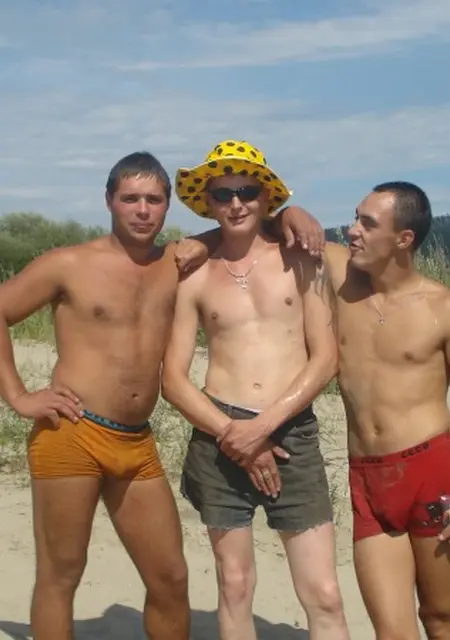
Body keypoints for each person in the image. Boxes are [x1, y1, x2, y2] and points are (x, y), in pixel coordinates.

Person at [0, 150, 323, 640]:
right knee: (61, 574)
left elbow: (236, 227)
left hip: (136, 442)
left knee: (170, 577)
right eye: (130, 198)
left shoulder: (178, 262)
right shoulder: (68, 264)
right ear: (109, 201)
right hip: (72, 433)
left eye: (153, 200)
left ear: (168, 206)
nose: (142, 210)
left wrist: (288, 215)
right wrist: (19, 396)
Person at [176, 179, 450, 639]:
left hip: (432, 472)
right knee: (392, 630)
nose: (353, 229)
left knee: (441, 617)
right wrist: (288, 213)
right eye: (355, 217)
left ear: (404, 238)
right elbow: (252, 229)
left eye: (368, 223)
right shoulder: (339, 276)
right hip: (368, 478)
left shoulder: (442, 307)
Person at [162, 139, 350, 640]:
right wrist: (233, 432)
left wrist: (263, 427)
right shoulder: (194, 274)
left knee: (324, 593)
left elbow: (325, 358)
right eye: (223, 194)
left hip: (291, 433)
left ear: (266, 197)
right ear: (208, 202)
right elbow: (173, 379)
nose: (236, 203)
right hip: (218, 435)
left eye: (247, 191)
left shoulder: (300, 260)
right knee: (235, 584)